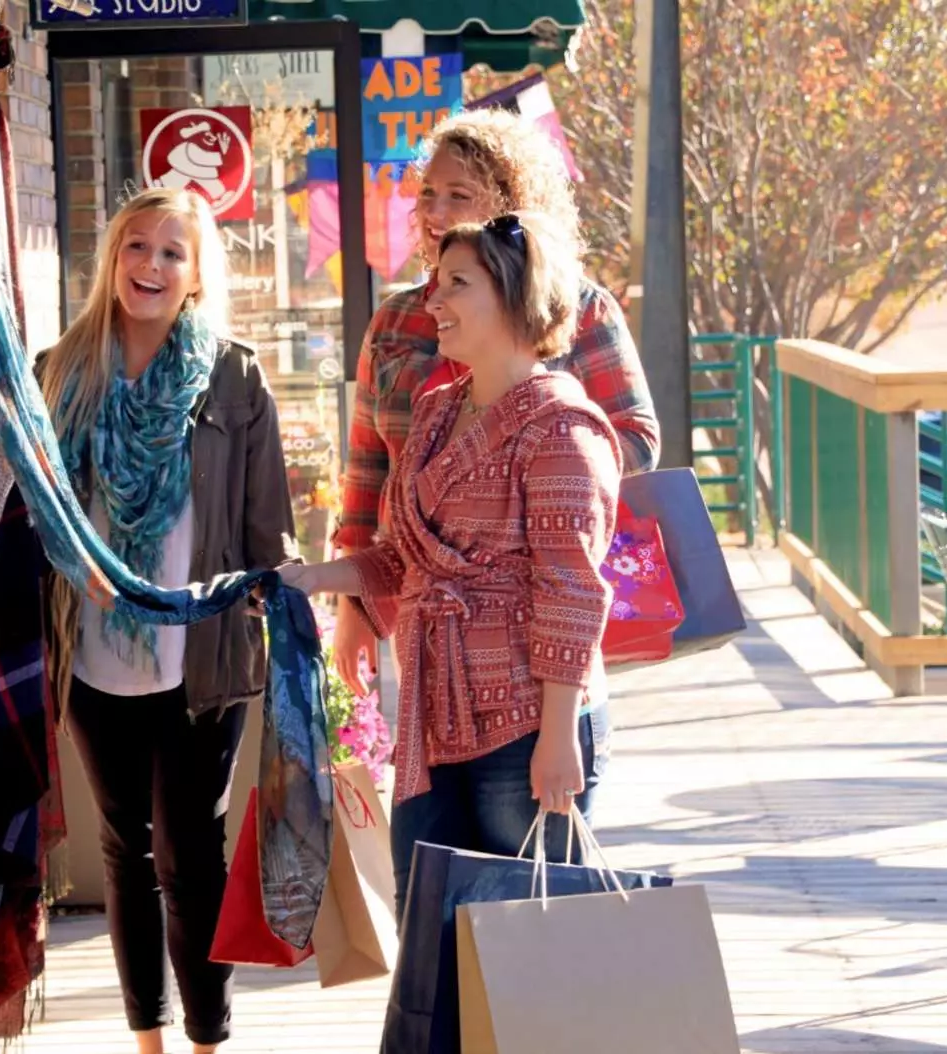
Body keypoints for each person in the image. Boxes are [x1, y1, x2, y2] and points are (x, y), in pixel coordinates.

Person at [282, 213, 622, 914]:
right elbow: (409, 559)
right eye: (437, 283)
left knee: (529, 932)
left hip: (530, 717)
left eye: (457, 284)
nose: (433, 301)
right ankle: (441, 1035)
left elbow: (572, 591)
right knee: (430, 921)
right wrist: (314, 580)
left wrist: (559, 738)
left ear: (514, 295)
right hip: (434, 714)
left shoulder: (562, 428)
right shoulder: (436, 411)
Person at [40, 187, 297, 1054]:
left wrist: (294, 615)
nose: (151, 265)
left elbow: (268, 529)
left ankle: (207, 1042)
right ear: (112, 259)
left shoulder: (233, 375)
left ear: (196, 275)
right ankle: (147, 1039)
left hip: (204, 656)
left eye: (172, 252)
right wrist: (77, 565)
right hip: (93, 655)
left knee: (193, 857)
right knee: (124, 850)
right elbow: (30, 515)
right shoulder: (60, 370)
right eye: (136, 246)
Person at [330, 109, 658, 702]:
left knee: (525, 783)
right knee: (423, 789)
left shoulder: (577, 308)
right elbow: (365, 472)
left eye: (458, 194)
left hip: (535, 619)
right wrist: (352, 604)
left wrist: (537, 466)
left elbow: (636, 437)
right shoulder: (397, 319)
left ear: (513, 204)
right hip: (415, 610)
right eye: (427, 193)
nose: (432, 213)